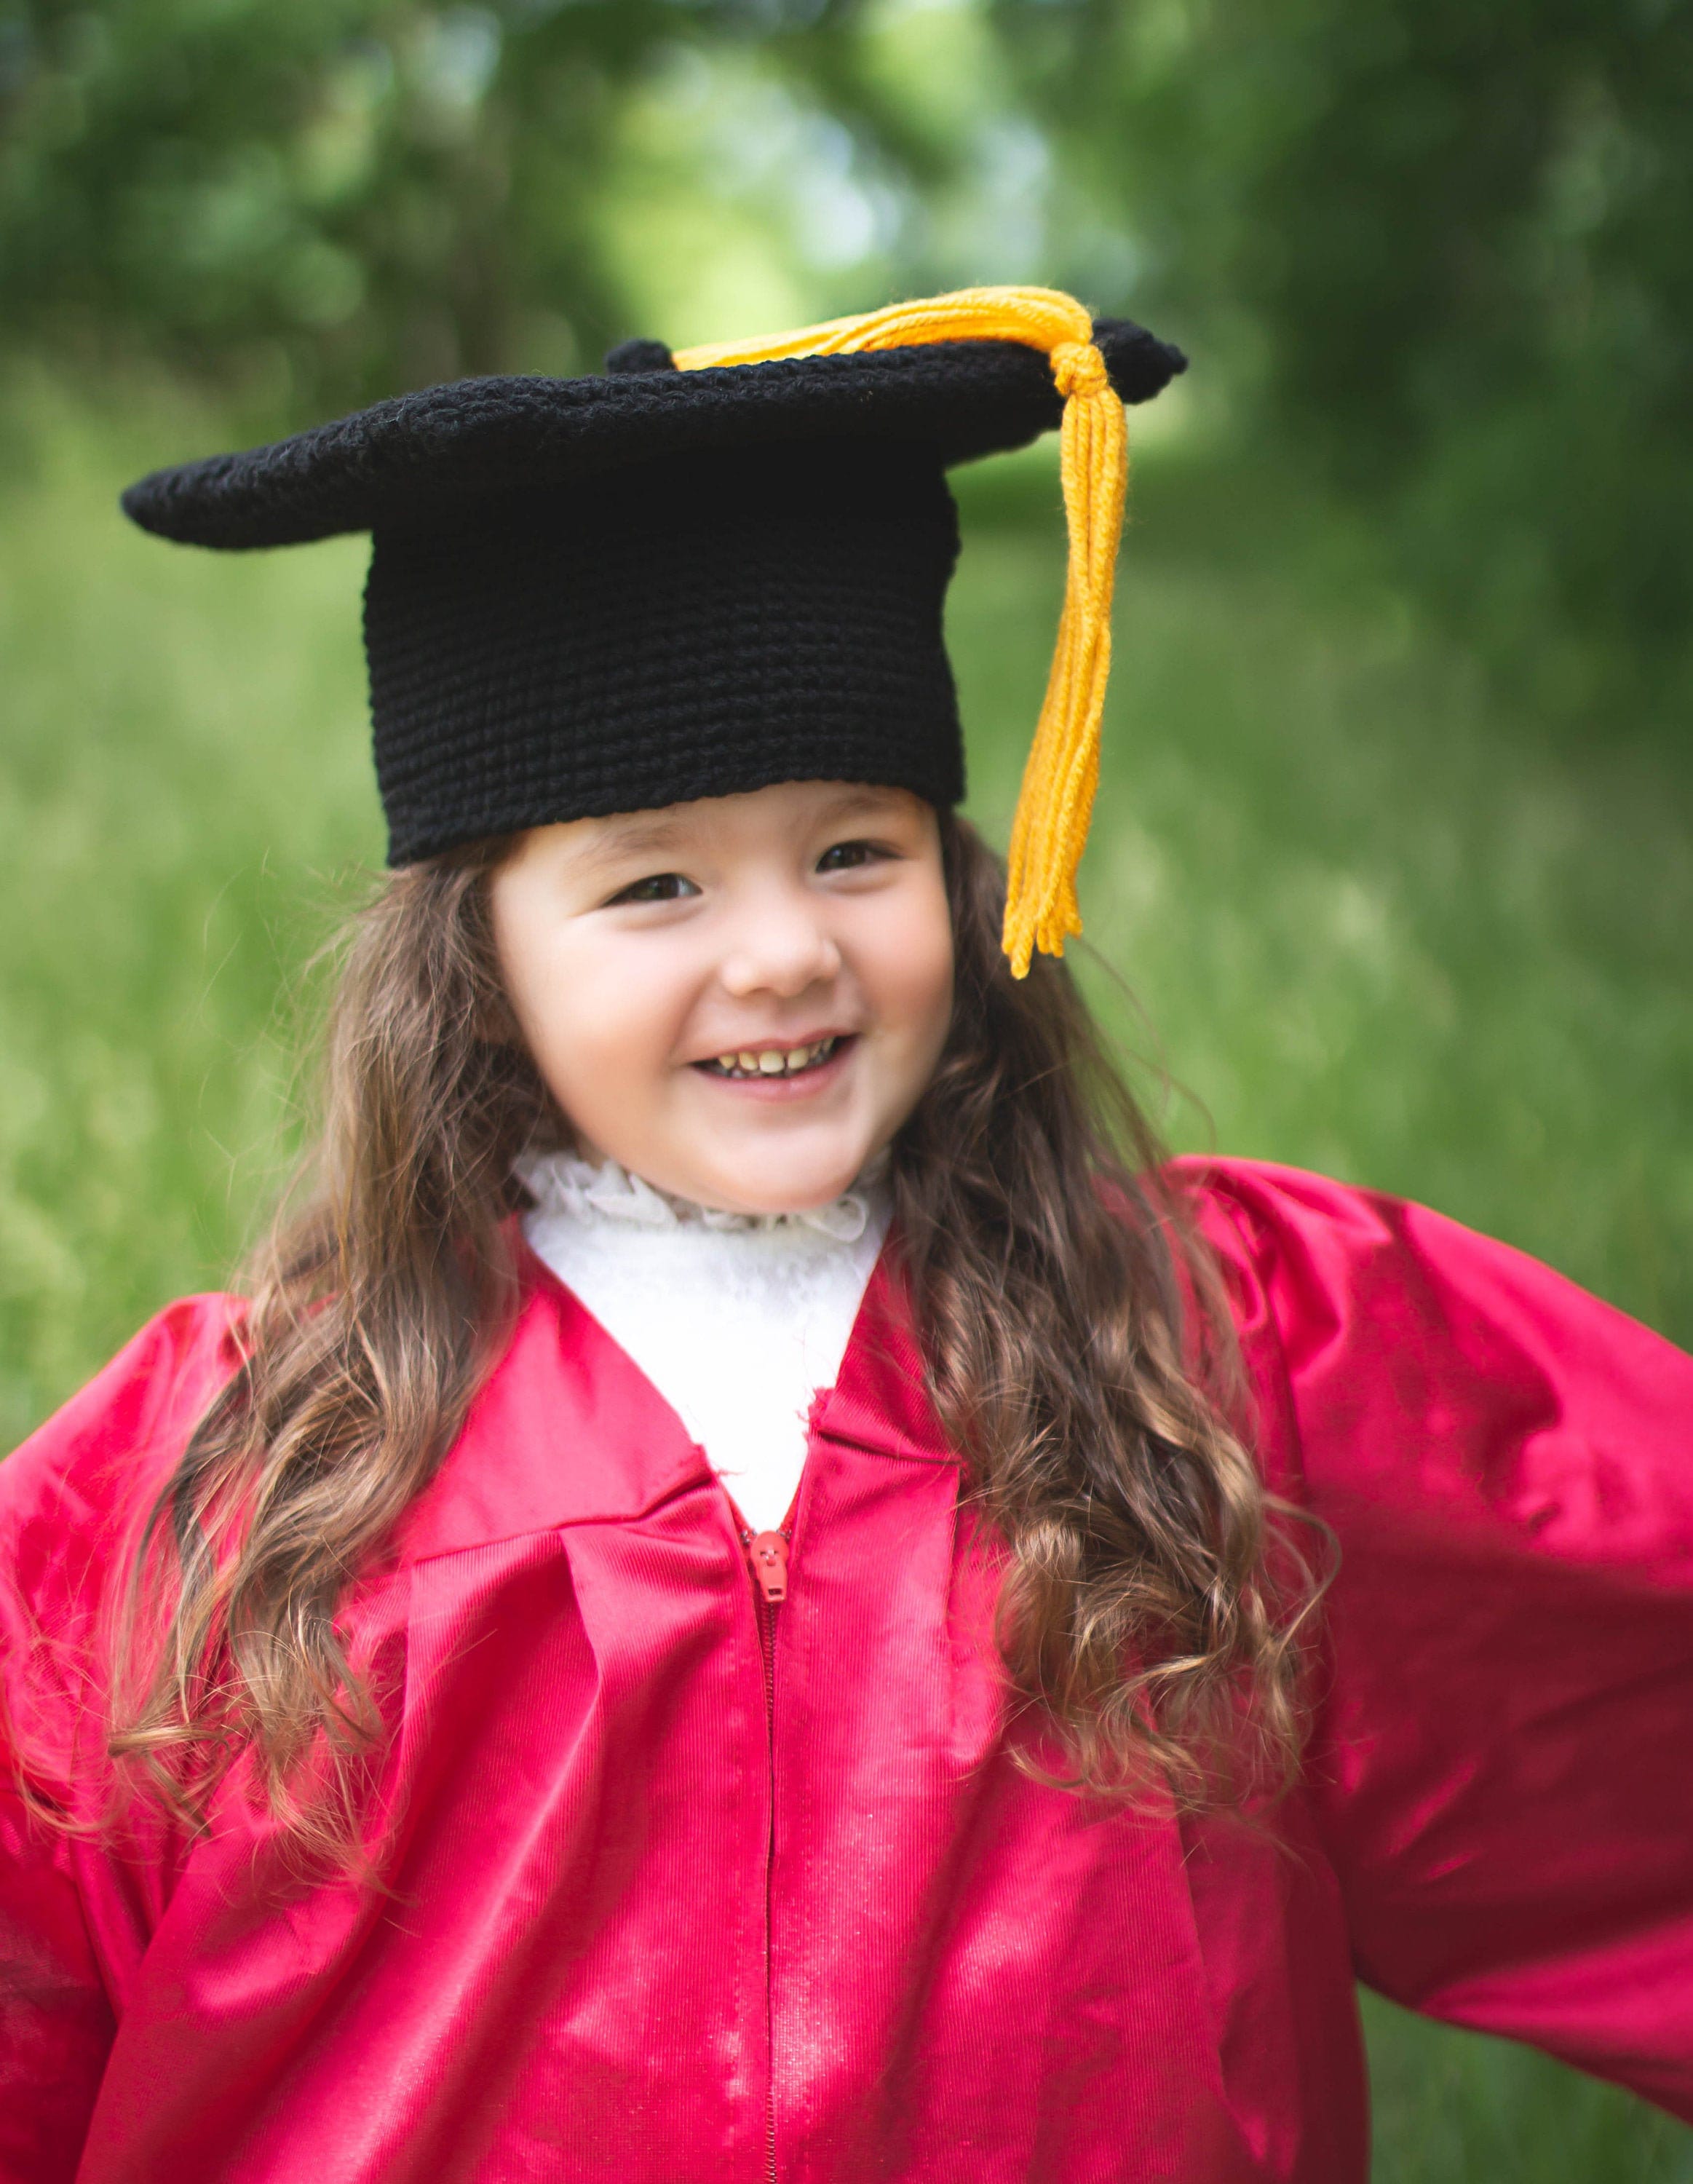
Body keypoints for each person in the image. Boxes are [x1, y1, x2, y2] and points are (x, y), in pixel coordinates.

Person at [0, 285, 1688, 2184]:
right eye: (653, 883)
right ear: (472, 969)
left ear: (963, 882)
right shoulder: (221, 1478)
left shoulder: (1234, 1359)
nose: (786, 948)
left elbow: (1629, 1712)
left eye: (853, 851)